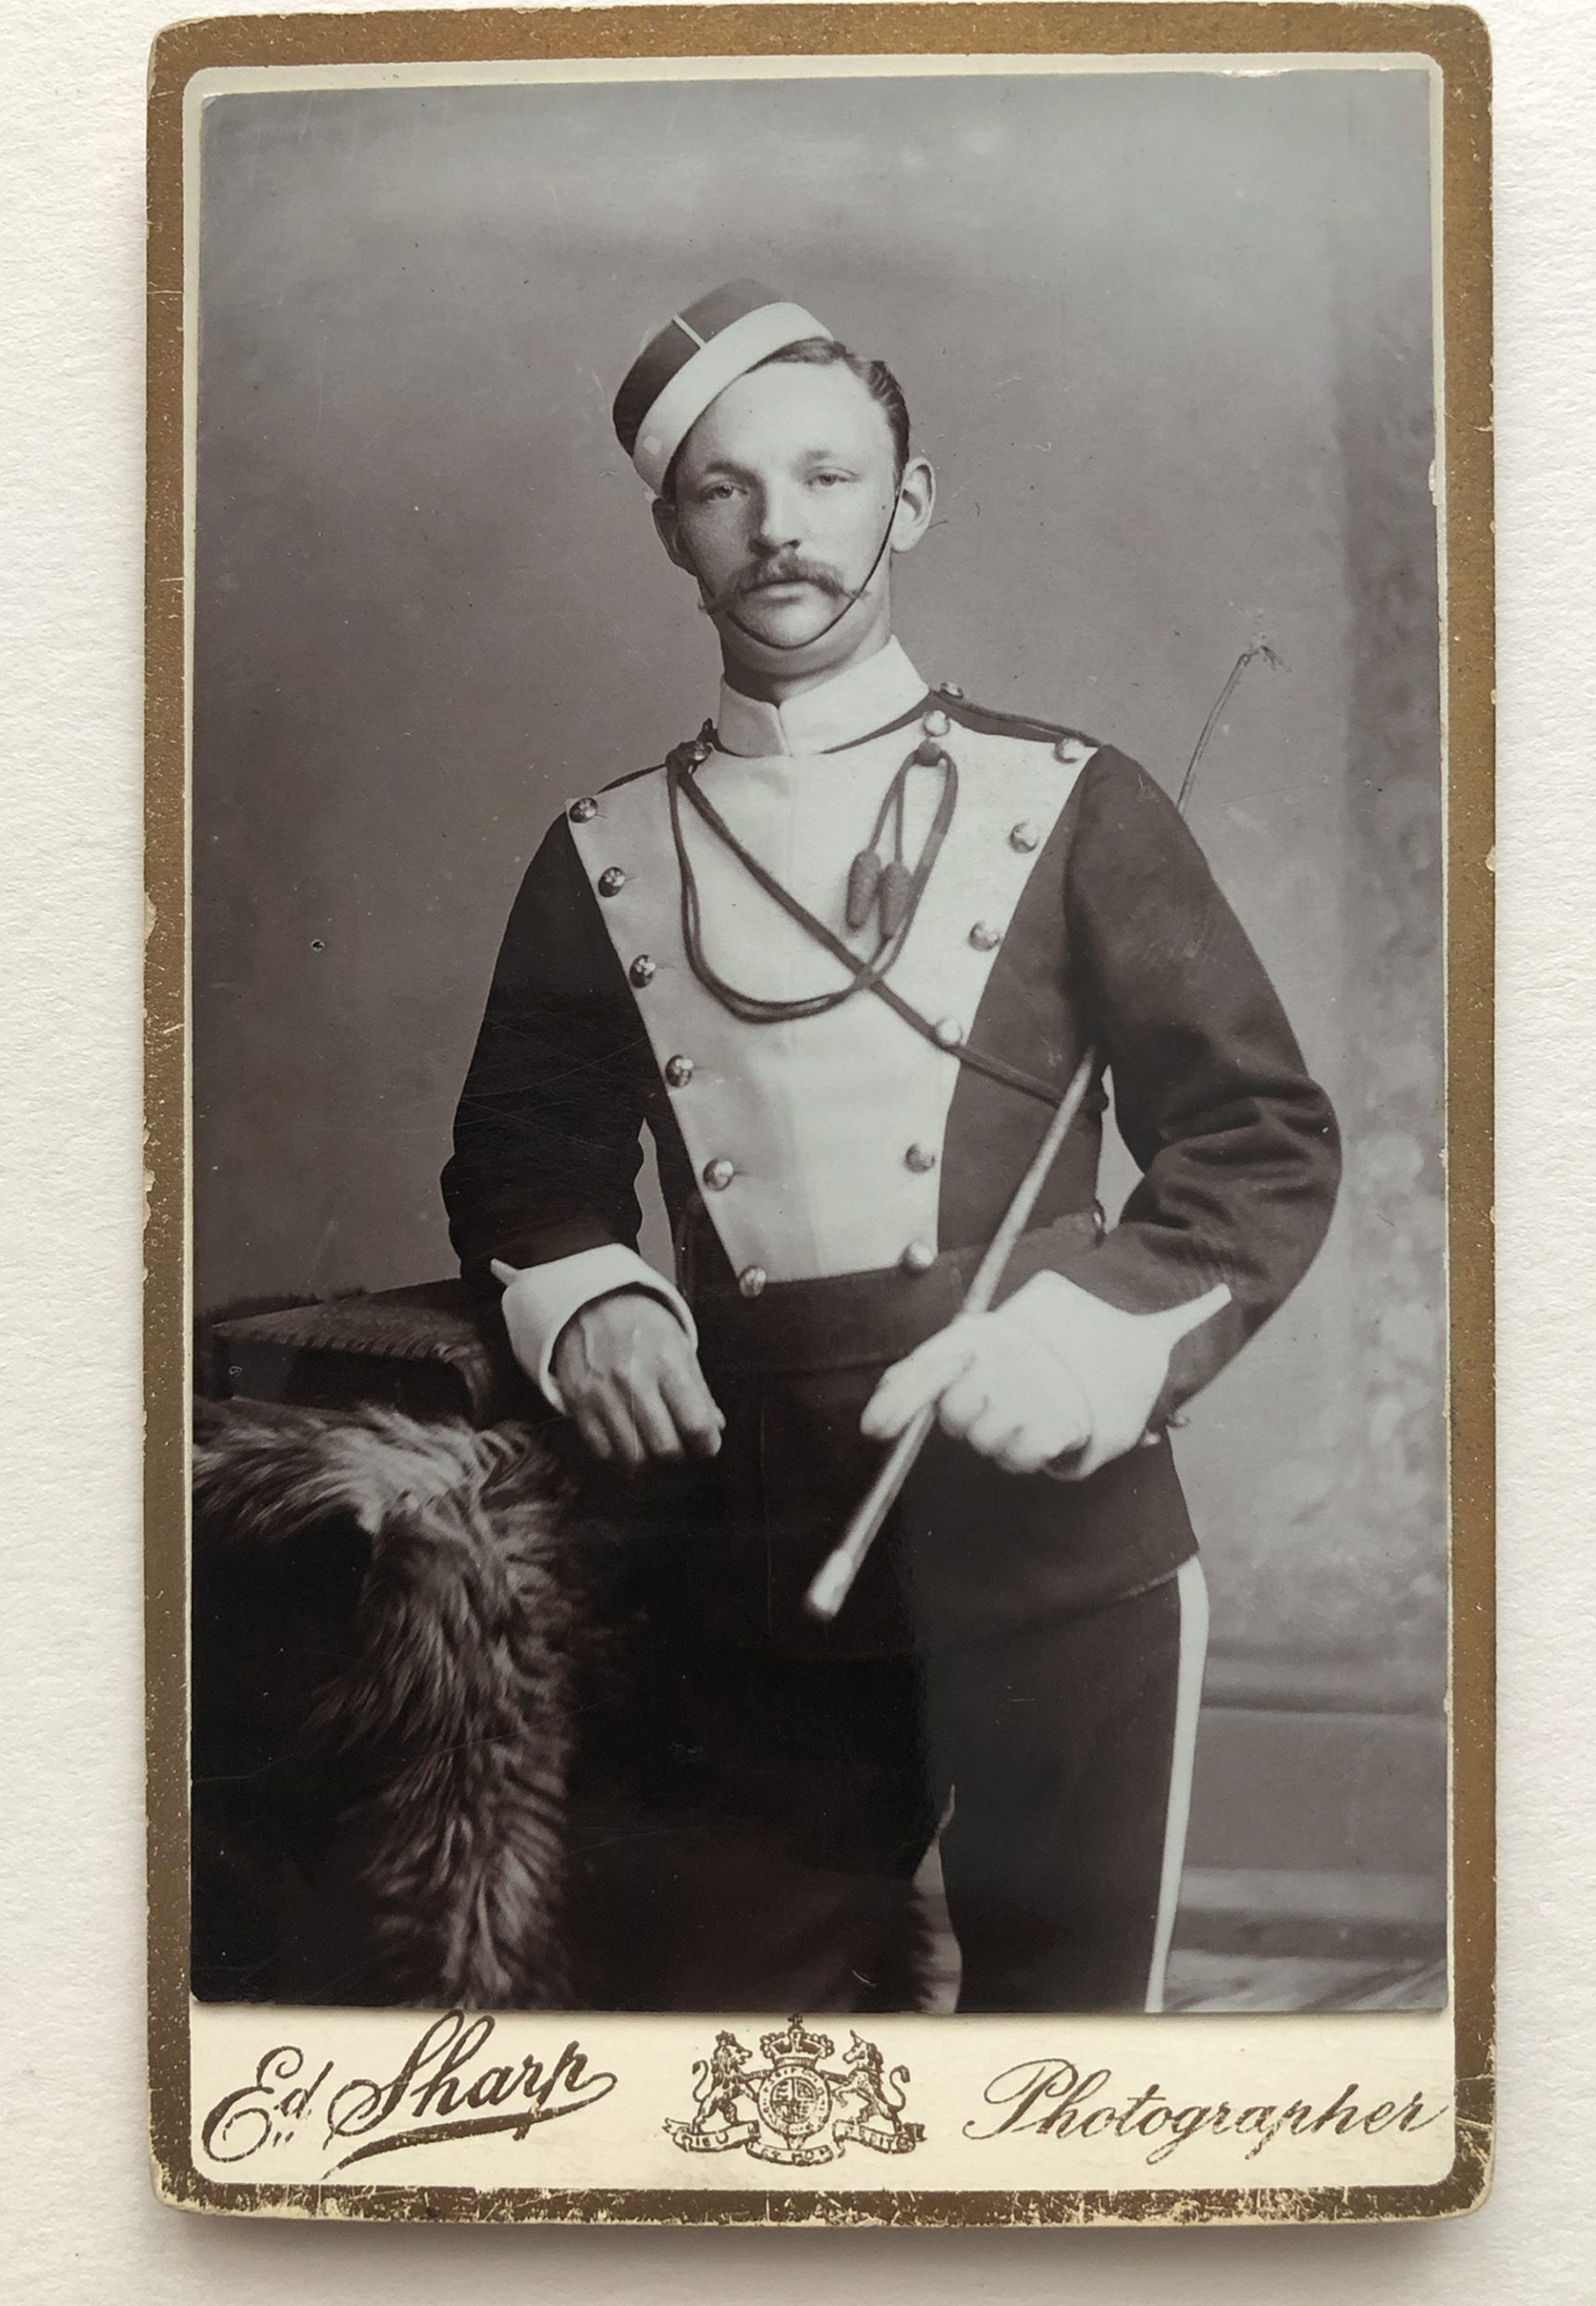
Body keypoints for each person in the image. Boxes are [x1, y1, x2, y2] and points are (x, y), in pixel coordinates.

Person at [442, 279, 1340, 2015]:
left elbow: (1256, 1140)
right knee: (728, 2059)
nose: (783, 528)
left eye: (831, 478)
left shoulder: (1079, 800)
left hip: (1058, 1541)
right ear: (672, 536)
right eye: (726, 490)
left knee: (1054, 2072)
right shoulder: (602, 852)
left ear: (906, 505)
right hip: (748, 1559)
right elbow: (526, 1159)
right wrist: (591, 1294)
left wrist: (1089, 1336)